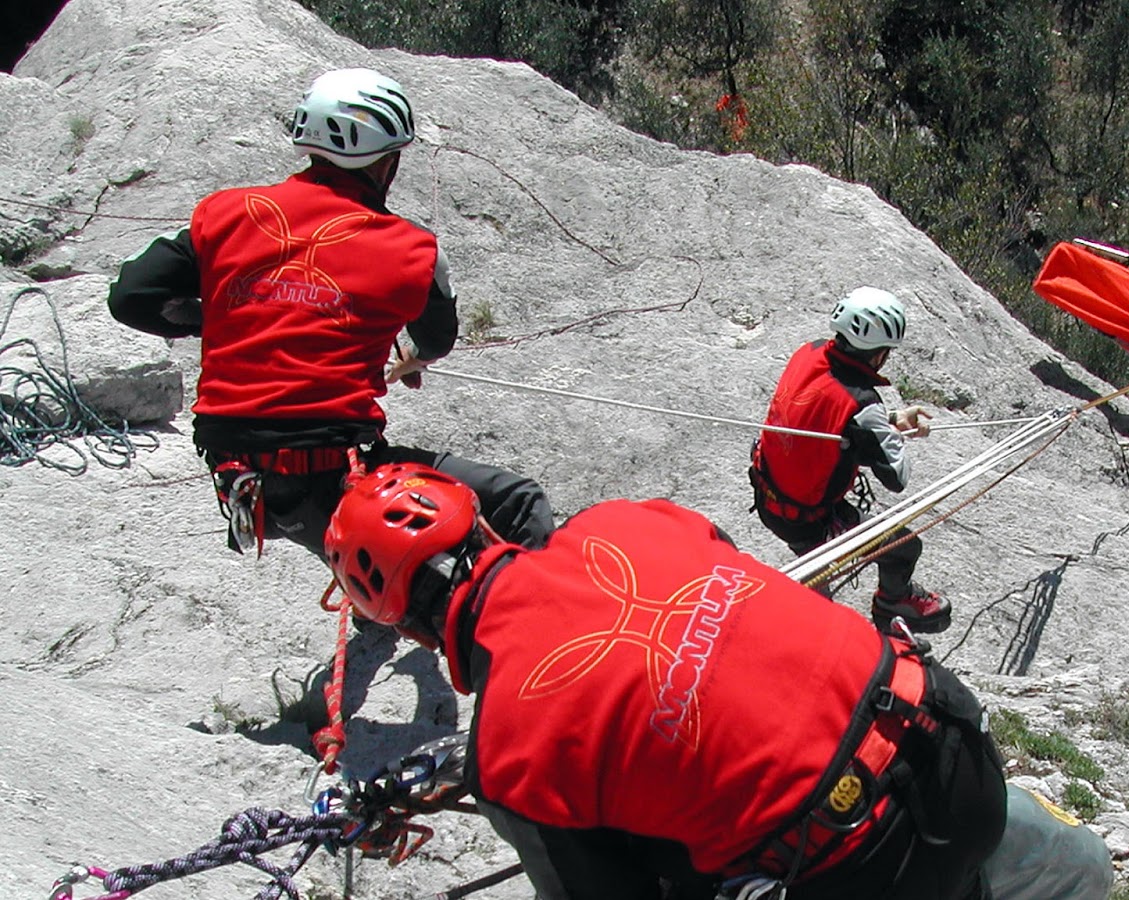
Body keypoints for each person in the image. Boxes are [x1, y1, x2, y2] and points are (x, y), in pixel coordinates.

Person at [323, 463, 1020, 900]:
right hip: (955, 749)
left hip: (858, 862)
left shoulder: (509, 756)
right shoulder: (624, 520)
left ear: (409, 629)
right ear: (477, 519)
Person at [106, 68, 552, 560]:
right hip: (337, 478)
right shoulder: (412, 251)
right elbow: (436, 340)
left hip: (238, 478)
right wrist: (413, 359)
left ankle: (369, 589)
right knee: (518, 501)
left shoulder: (226, 214)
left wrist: (218, 318)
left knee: (331, 518)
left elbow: (132, 297)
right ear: (387, 165)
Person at [748, 287, 950, 634]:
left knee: (818, 594)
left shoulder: (808, 352)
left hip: (769, 493)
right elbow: (897, 477)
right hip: (808, 521)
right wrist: (894, 432)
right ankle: (892, 604)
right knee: (905, 547)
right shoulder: (862, 403)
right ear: (879, 355)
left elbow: (823, 409)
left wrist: (885, 421)